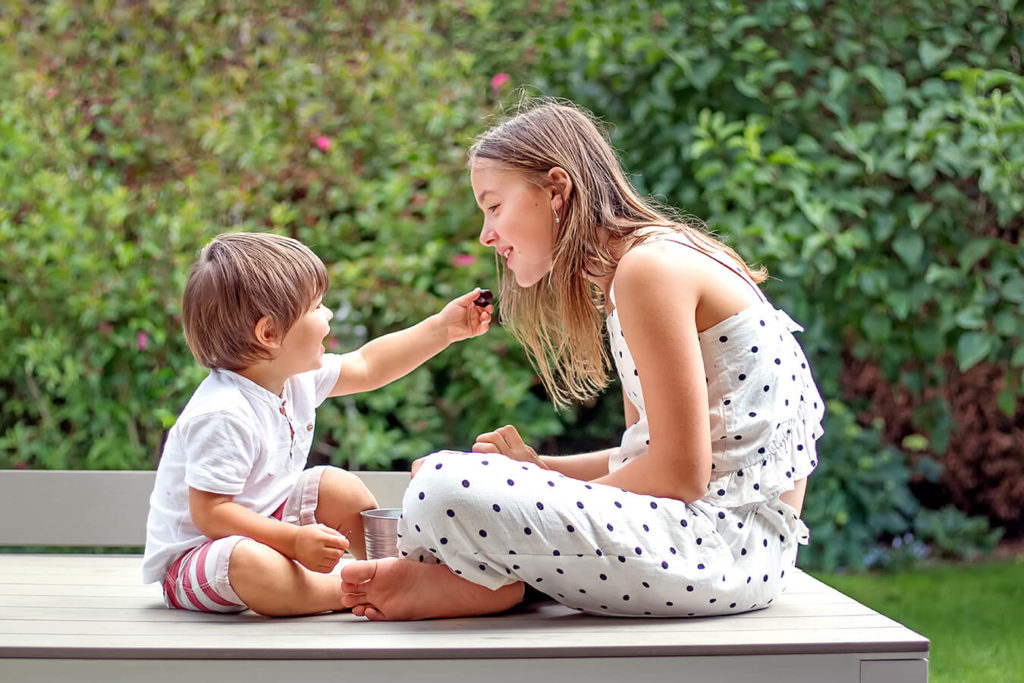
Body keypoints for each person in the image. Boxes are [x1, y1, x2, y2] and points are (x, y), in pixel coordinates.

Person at [340, 99, 824, 620]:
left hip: (720, 552)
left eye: (494, 206)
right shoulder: (642, 267)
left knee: (442, 486)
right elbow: (645, 456)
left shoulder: (649, 270)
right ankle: (491, 581)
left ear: (556, 190)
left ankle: (487, 581)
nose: (486, 234)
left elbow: (679, 475)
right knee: (449, 479)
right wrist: (539, 470)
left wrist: (532, 490)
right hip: (725, 549)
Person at [142, 232, 493, 616]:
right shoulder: (223, 412)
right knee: (252, 565)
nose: (327, 316)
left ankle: (405, 568)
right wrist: (292, 541)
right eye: (317, 306)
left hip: (264, 521)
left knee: (337, 487)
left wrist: (442, 329)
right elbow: (210, 513)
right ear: (269, 334)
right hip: (199, 559)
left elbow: (368, 365)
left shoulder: (293, 378)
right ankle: (367, 589)